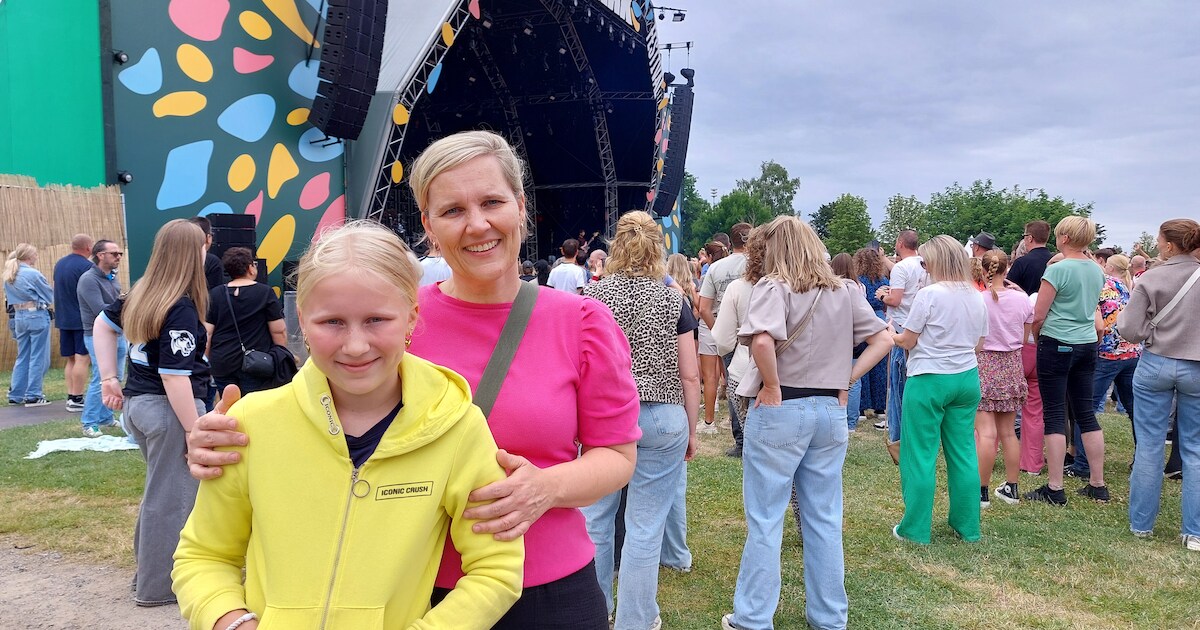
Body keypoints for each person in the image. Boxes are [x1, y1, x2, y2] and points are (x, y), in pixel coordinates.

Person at [185, 130, 640, 629]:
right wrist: (220, 438)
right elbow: (308, 412)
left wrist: (544, 488)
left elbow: (616, 457)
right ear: (428, 225)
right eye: (452, 211)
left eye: (492, 201)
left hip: (543, 589)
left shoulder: (583, 324)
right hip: (396, 597)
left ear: (521, 207)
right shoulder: (383, 316)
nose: (477, 224)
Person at [173, 222, 524, 629]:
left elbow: (496, 568)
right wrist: (230, 621)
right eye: (333, 322)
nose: (356, 346)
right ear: (302, 319)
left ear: (411, 317)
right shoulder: (250, 424)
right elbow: (204, 554)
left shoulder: (456, 425)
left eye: (376, 320)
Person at [722, 216, 891, 630]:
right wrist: (845, 379)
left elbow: (761, 339)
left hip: (783, 408)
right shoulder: (846, 290)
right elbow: (885, 338)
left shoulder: (773, 287)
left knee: (766, 517)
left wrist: (774, 386)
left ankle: (753, 618)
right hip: (829, 411)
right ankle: (829, 617)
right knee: (824, 516)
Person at [582, 211, 700, 630]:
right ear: (657, 248)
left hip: (607, 416)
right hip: (663, 415)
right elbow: (690, 372)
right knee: (646, 527)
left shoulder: (593, 297)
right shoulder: (674, 299)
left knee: (596, 518)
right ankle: (635, 619)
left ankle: (595, 613)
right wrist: (693, 425)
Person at [92, 219, 210, 606]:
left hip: (141, 406)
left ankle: (148, 575)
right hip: (167, 409)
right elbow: (175, 377)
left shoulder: (142, 294)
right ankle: (158, 586)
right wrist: (195, 432)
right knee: (172, 498)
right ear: (195, 253)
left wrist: (110, 377)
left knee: (159, 493)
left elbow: (102, 324)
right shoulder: (179, 306)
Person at [891, 235, 988, 544]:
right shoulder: (976, 295)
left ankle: (915, 529)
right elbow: (979, 344)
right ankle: (968, 526)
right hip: (966, 378)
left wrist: (888, 333)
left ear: (933, 262)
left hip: (929, 378)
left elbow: (908, 340)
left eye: (924, 261)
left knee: (920, 454)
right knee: (963, 452)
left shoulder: (929, 294)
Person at [1117, 218, 1200, 549]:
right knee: (1194, 448)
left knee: (1150, 445)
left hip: (1156, 362)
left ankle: (1142, 524)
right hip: (1195, 364)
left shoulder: (1152, 278)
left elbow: (1130, 331)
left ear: (1168, 245)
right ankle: (1194, 531)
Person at [1025, 216, 1109, 505]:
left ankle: (1055, 486)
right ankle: (1098, 484)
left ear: (1063, 238)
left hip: (1057, 342)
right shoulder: (1097, 270)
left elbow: (1038, 314)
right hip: (1086, 343)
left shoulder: (1058, 272)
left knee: (1055, 414)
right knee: (1086, 413)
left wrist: (1039, 335)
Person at [1069, 253, 1138, 477]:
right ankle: (1142, 459)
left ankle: (1082, 464)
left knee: (1085, 409)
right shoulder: (1123, 284)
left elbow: (1096, 322)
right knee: (1135, 409)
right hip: (1131, 352)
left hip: (1106, 353)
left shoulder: (1095, 285)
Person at [974, 250, 1032, 506]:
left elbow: (975, 339)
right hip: (1011, 364)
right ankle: (1012, 487)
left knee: (986, 433)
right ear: (1007, 269)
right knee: (1008, 432)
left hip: (985, 363)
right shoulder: (1022, 300)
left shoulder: (979, 300)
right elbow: (1023, 336)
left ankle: (981, 491)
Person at [205, 247, 288, 396]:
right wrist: (280, 356)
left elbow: (207, 333)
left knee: (229, 406)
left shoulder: (215, 294)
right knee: (254, 407)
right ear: (250, 268)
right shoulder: (265, 292)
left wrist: (207, 361)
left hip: (222, 362)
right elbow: (278, 330)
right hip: (257, 363)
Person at [699, 223, 751, 450]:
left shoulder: (716, 268)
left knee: (734, 385)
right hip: (757, 330)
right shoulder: (759, 265)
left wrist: (717, 330)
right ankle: (755, 436)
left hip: (729, 333)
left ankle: (740, 440)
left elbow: (703, 308)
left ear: (731, 242)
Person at [878, 230, 929, 459]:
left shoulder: (901, 268)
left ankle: (900, 439)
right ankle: (916, 436)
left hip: (902, 330)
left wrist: (883, 296)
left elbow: (896, 300)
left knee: (899, 389)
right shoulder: (925, 264)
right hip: (923, 331)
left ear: (899, 243)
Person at [77, 239, 126, 436]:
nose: (118, 257)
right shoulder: (89, 279)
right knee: (102, 377)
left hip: (118, 333)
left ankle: (106, 417)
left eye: (119, 254)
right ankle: (88, 422)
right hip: (97, 335)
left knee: (116, 377)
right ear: (100, 255)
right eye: (114, 254)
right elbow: (101, 311)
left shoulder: (112, 277)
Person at [4, 243, 54, 407]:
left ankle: (16, 394)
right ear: (28, 256)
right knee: (38, 356)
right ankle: (33, 394)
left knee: (23, 355)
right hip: (36, 314)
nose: (36, 257)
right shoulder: (33, 274)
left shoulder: (10, 274)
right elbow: (48, 296)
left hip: (19, 316)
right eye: (35, 254)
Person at [53, 233, 94, 413]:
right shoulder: (87, 267)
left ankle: (71, 395)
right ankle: (77, 398)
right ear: (88, 248)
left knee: (71, 359)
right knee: (82, 359)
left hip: (63, 318)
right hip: (81, 320)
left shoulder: (60, 264)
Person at [696, 240, 730, 434]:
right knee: (730, 374)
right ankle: (734, 418)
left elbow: (702, 306)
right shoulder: (737, 269)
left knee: (710, 376)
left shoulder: (710, 272)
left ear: (708, 257)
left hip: (710, 325)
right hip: (729, 324)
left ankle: (709, 422)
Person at [854, 247, 890, 424]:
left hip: (864, 319)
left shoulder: (858, 281)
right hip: (880, 318)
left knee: (862, 361)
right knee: (880, 365)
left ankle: (861, 407)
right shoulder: (883, 280)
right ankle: (880, 407)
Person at [830, 253, 866, 430]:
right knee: (854, 378)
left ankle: (841, 416)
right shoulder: (860, 287)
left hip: (838, 335)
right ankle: (851, 420)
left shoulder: (833, 287)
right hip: (855, 336)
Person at [1008, 220, 1053, 296]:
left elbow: (1008, 288)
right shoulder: (1054, 262)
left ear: (1030, 238)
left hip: (1023, 306)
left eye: (1024, 236)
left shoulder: (1021, 262)